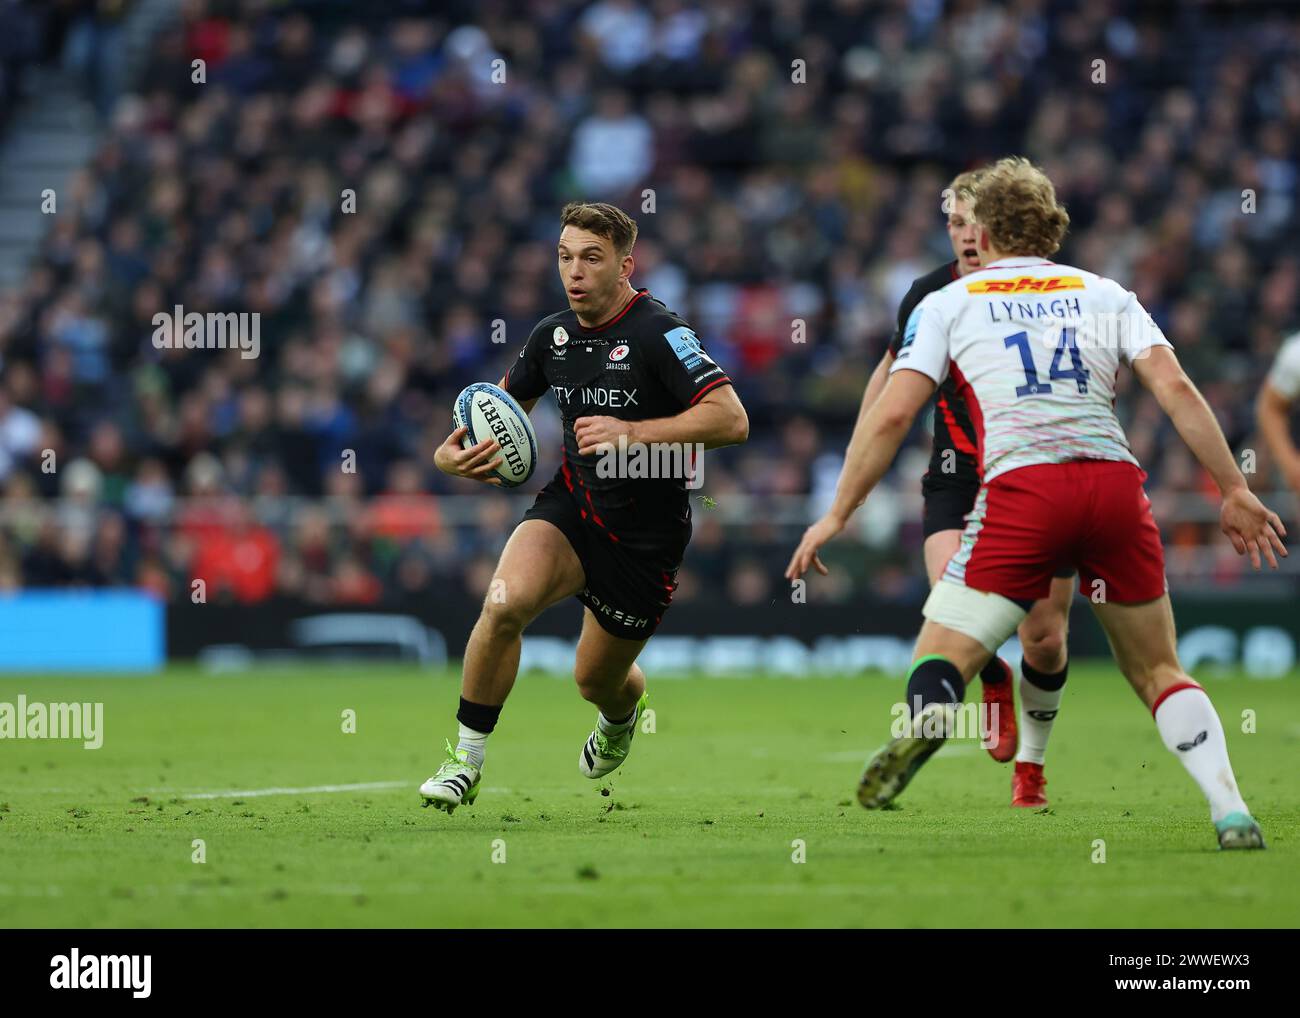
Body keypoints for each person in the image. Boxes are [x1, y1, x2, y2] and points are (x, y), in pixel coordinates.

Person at [787, 157, 1285, 849]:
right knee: (1159, 669)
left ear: (983, 232)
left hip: (1025, 492)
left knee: (940, 654)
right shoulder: (1105, 292)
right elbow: (1175, 390)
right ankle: (1229, 809)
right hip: (1115, 487)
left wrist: (838, 512)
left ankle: (929, 720)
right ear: (1049, 229)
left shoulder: (948, 302)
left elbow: (893, 416)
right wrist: (1234, 488)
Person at [421, 201, 749, 813]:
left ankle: (622, 717)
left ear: (626, 264)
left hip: (646, 539)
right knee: (503, 603)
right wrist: (450, 457)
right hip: (572, 508)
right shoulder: (552, 336)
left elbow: (732, 420)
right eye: (565, 258)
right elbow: (492, 412)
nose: (574, 272)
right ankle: (463, 760)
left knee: (594, 680)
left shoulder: (659, 332)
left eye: (591, 259)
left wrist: (634, 434)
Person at [859, 167, 1073, 806]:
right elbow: (892, 374)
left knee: (1046, 633)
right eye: (953, 222)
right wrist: (861, 464)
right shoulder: (930, 293)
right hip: (957, 474)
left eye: (974, 221)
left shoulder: (1051, 291)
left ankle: (1031, 767)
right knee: (950, 605)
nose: (965, 235)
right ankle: (989, 674)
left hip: (1039, 473)